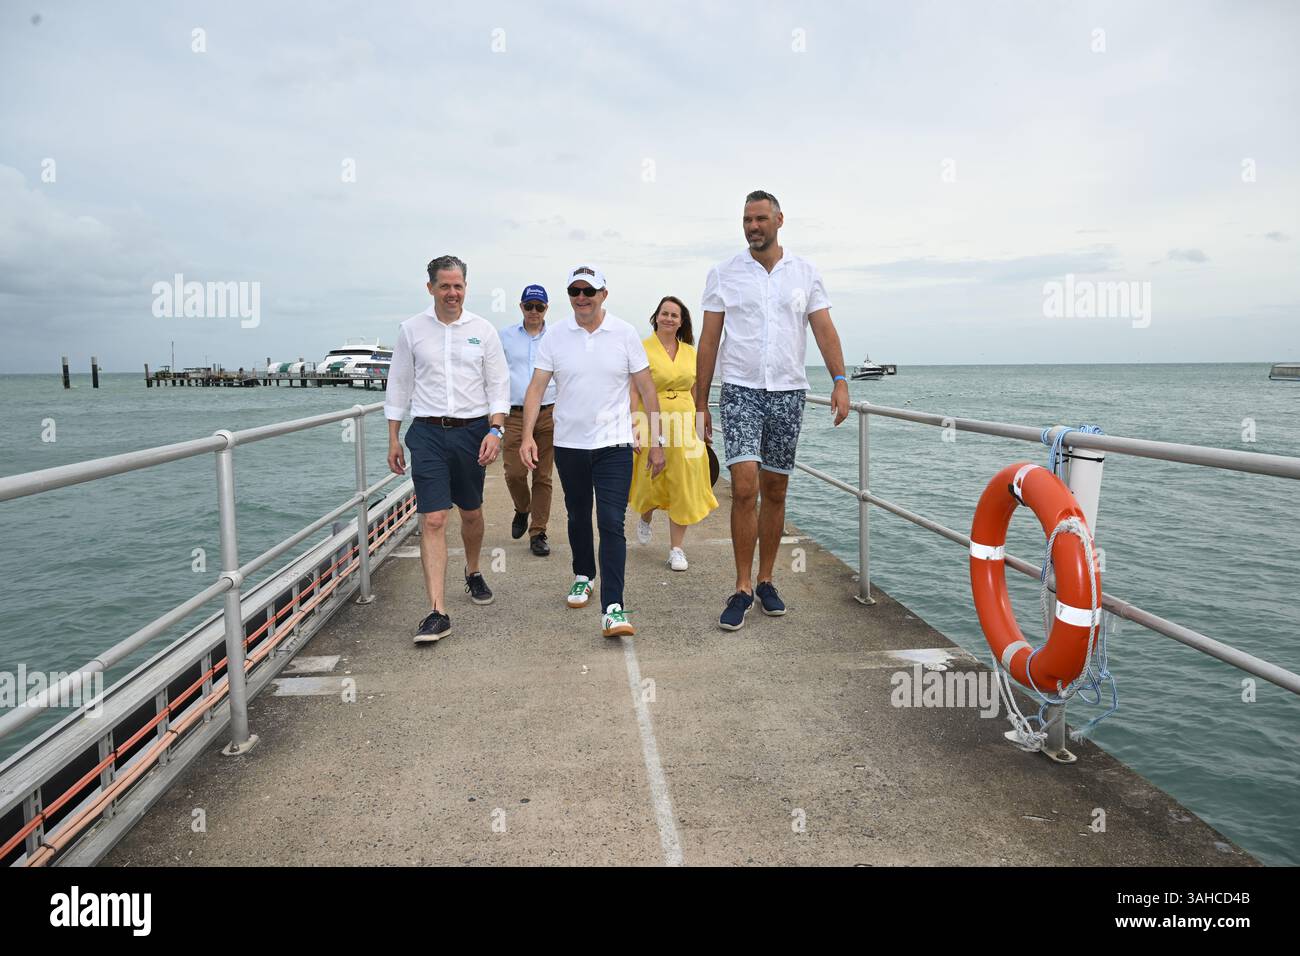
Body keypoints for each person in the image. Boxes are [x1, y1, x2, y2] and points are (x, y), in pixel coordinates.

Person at [695, 191, 851, 631]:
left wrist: (840, 380)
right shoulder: (723, 273)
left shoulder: (805, 273)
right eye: (747, 219)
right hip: (740, 389)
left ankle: (766, 579)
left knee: (776, 489)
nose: (752, 226)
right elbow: (708, 340)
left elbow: (823, 328)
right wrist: (700, 402)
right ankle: (742, 587)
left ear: (780, 220)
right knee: (744, 486)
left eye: (760, 218)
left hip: (788, 393)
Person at [519, 265, 666, 638]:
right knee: (577, 515)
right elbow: (536, 388)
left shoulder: (625, 333)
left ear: (603, 293)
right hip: (569, 443)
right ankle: (583, 575)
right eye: (575, 291)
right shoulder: (555, 337)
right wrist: (526, 437)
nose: (581, 298)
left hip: (615, 444)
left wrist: (657, 442)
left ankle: (613, 607)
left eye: (589, 290)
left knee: (611, 522)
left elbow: (647, 390)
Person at [386, 255, 511, 644]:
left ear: (465, 288)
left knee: (470, 513)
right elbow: (399, 383)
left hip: (473, 433)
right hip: (426, 432)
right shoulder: (411, 330)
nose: (452, 293)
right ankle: (438, 611)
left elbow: (499, 385)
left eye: (458, 286)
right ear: (431, 288)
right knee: (435, 519)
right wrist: (392, 436)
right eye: (445, 286)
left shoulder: (483, 330)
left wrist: (496, 431)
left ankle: (472, 570)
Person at [629, 296, 718, 571]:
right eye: (664, 313)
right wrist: (633, 426)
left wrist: (701, 421)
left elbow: (696, 389)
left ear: (682, 321)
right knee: (649, 479)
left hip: (684, 418)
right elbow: (633, 390)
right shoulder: (640, 348)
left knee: (684, 480)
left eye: (674, 315)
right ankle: (645, 517)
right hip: (651, 418)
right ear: (656, 316)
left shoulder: (691, 352)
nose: (669, 318)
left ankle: (676, 549)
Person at [500, 284, 556, 557]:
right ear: (521, 307)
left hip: (548, 413)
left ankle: (538, 532)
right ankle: (522, 508)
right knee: (514, 472)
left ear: (547, 308)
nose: (534, 311)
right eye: (529, 306)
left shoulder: (557, 337)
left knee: (543, 476)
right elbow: (494, 373)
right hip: (515, 415)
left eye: (540, 307)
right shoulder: (505, 337)